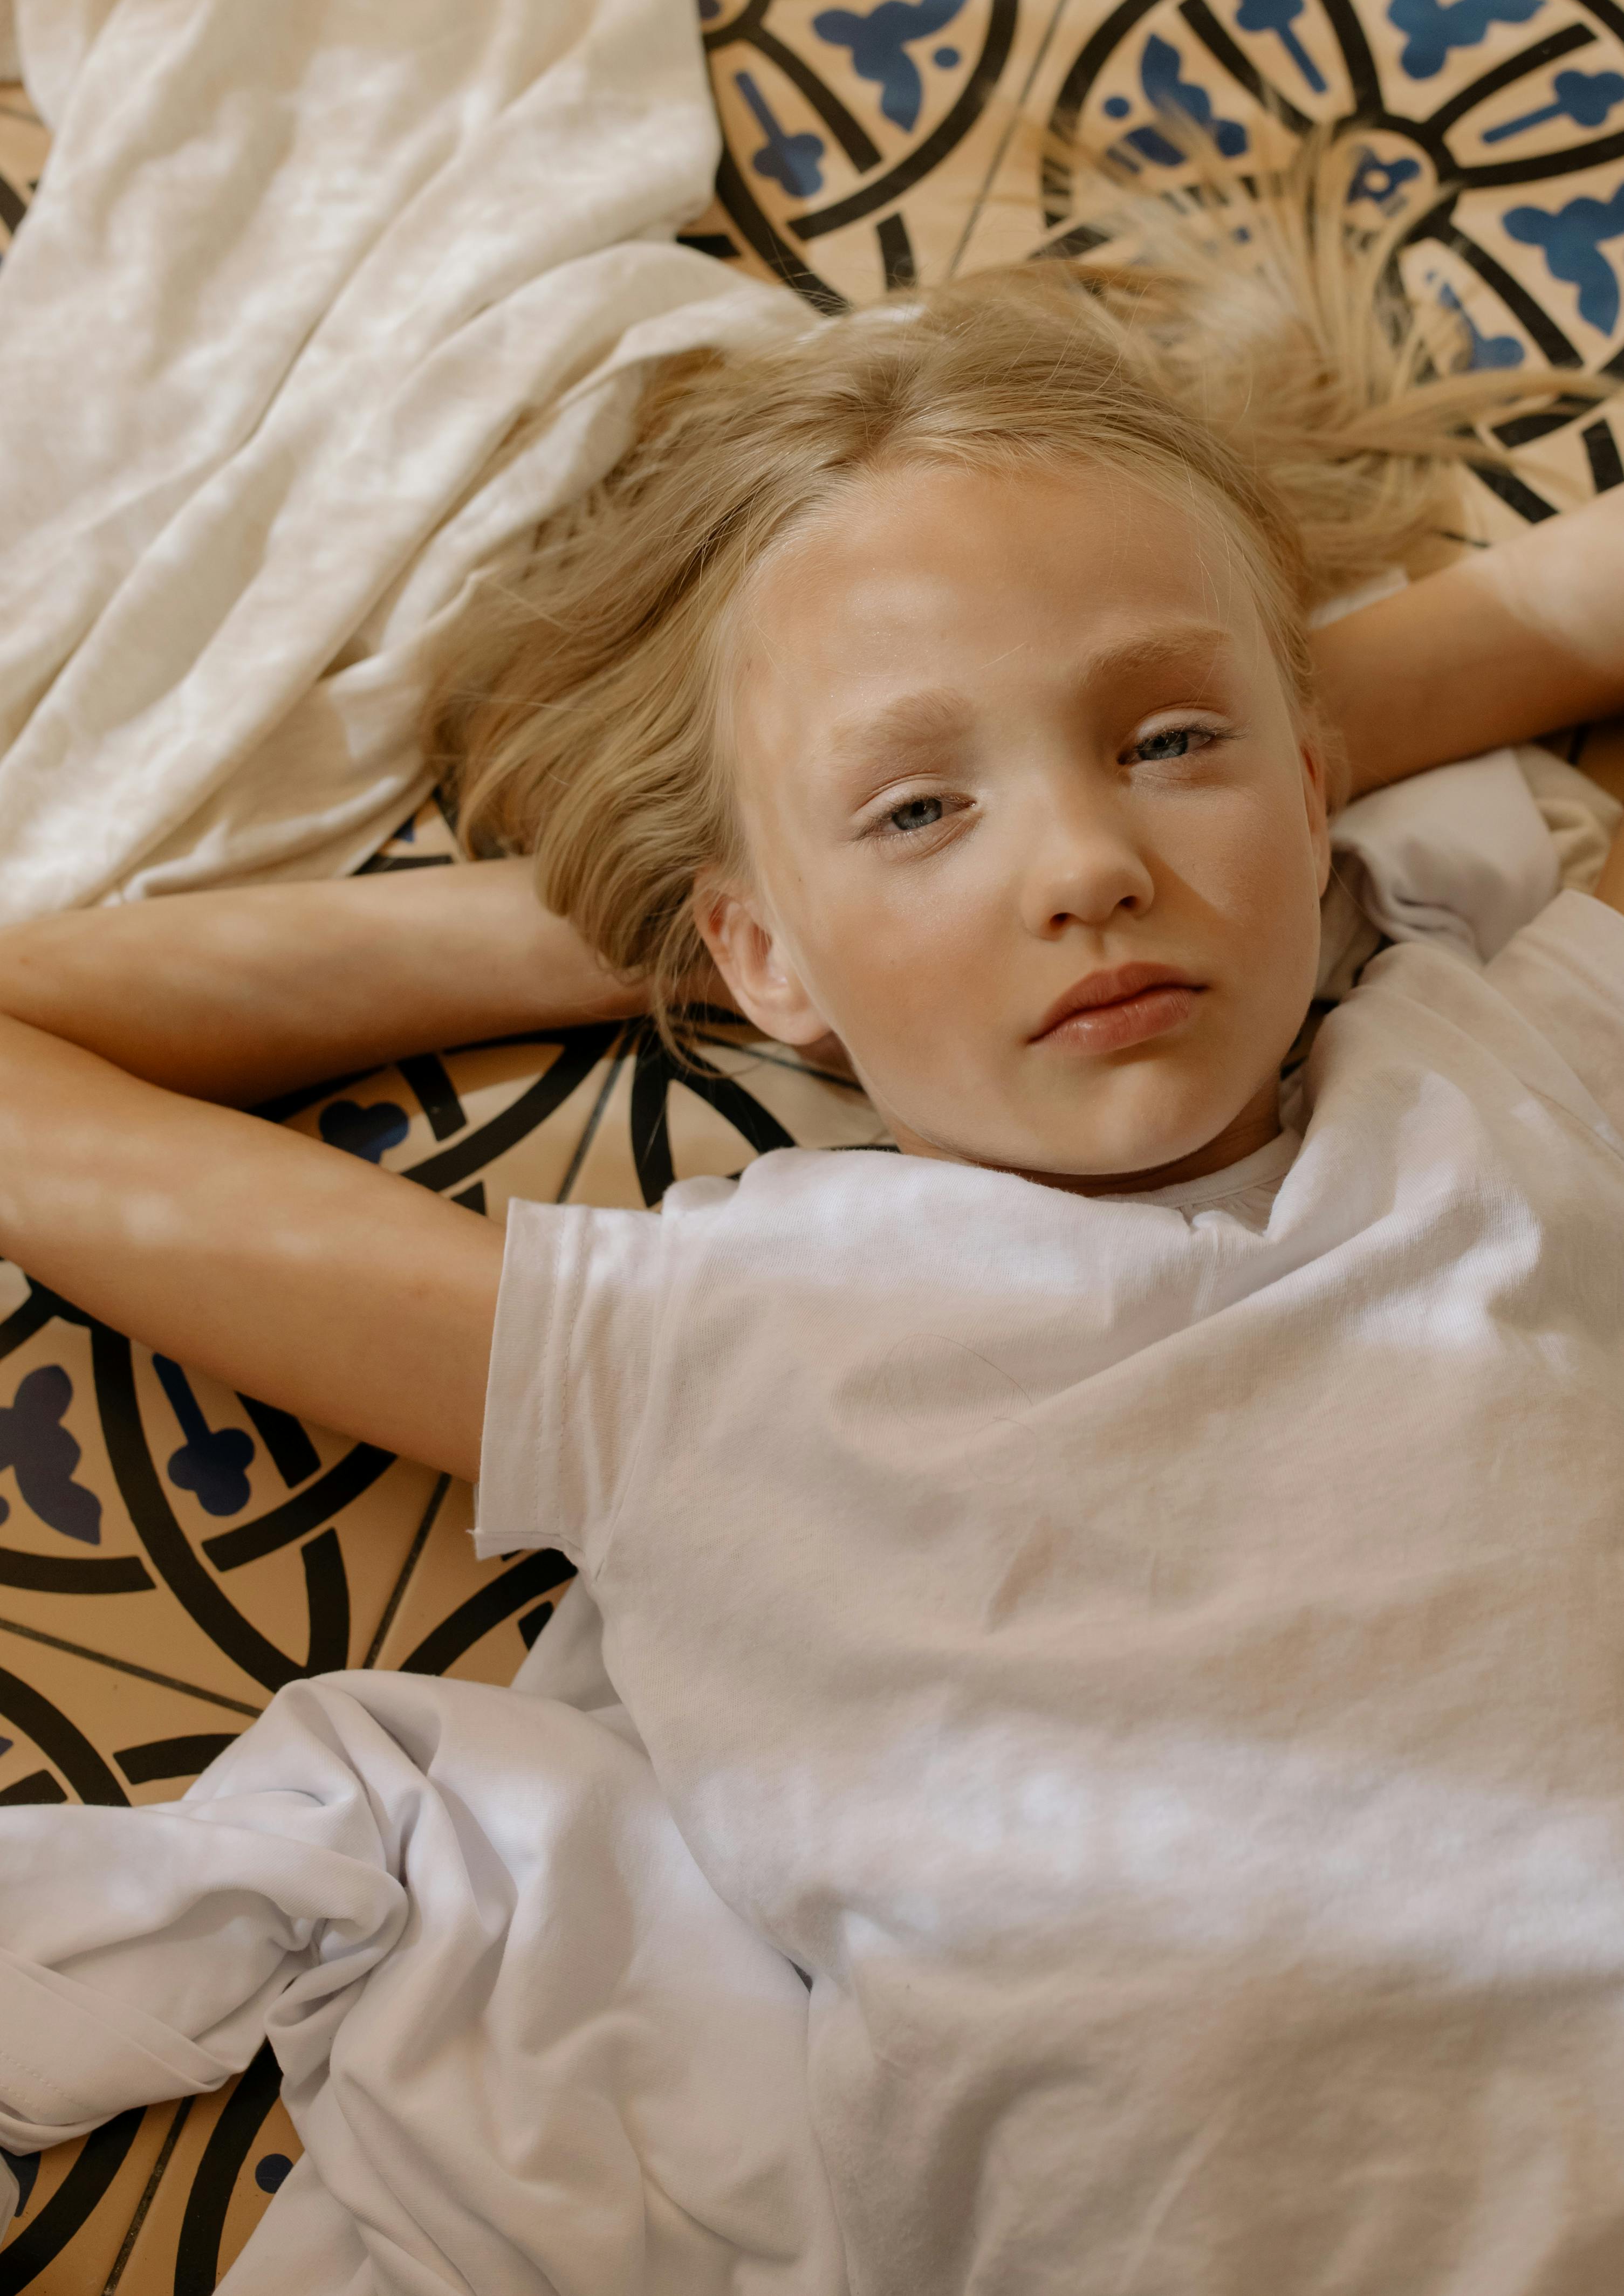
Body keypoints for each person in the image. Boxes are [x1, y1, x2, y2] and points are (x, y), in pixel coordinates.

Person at [4, 178, 1624, 2290]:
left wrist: (1273, 747)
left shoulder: (1504, 1064)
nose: (1087, 863)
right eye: (920, 808)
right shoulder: (701, 1335)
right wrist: (650, 925)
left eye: (1164, 741)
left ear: (1317, 780)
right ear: (757, 951)